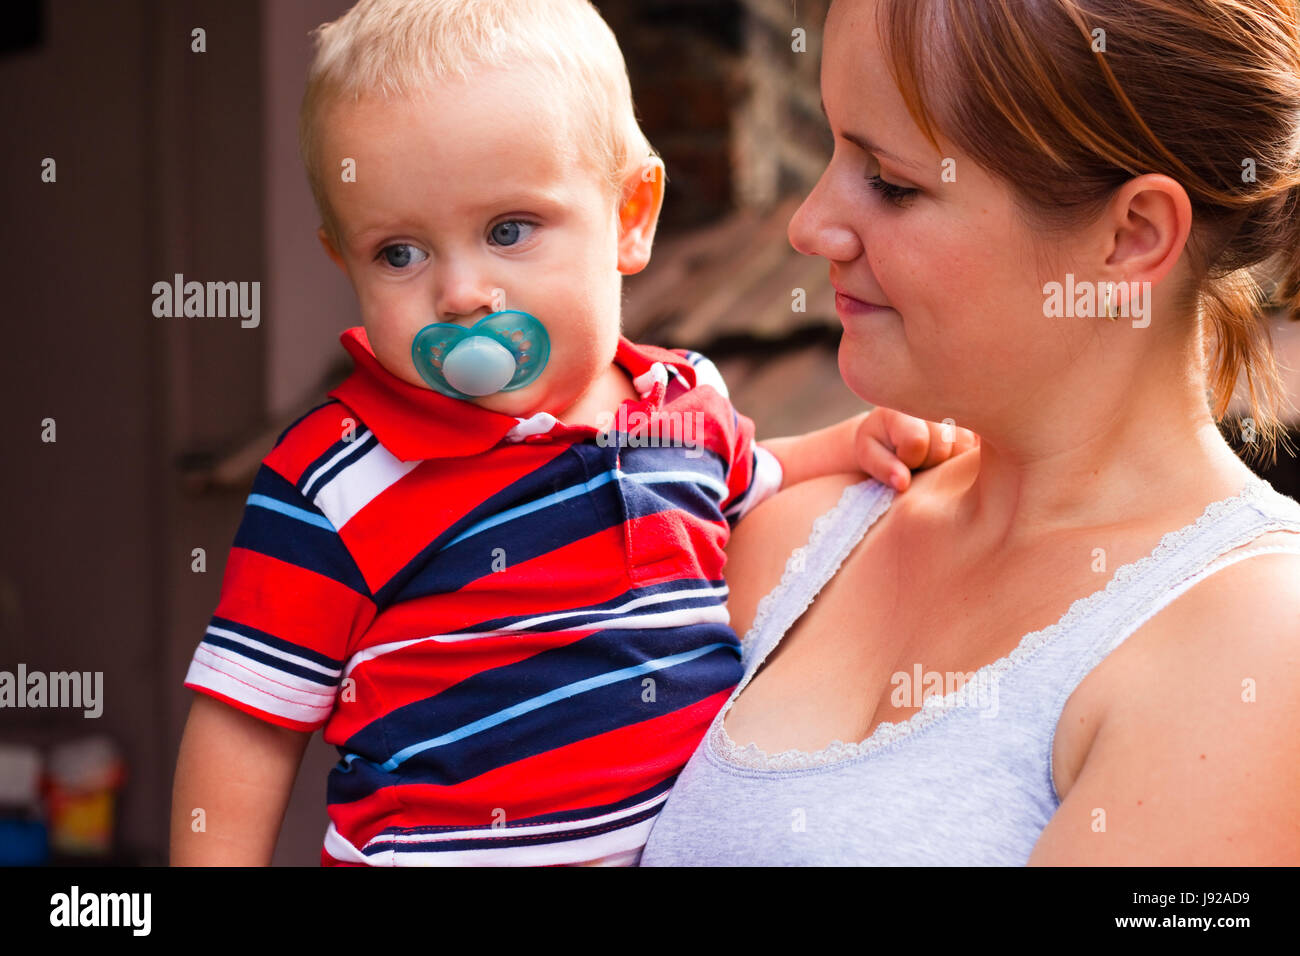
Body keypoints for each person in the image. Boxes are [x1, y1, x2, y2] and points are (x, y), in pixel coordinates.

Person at [169, 0, 970, 867]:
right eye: (399, 253)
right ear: (344, 259)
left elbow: (744, 480)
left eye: (508, 231)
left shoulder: (682, 402)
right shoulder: (336, 478)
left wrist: (849, 444)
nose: (461, 293)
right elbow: (246, 721)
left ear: (631, 215)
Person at [641, 0, 1300, 865]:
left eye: (892, 184)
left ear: (1131, 237)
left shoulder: (1255, 649)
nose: (809, 226)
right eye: (836, 150)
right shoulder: (803, 522)